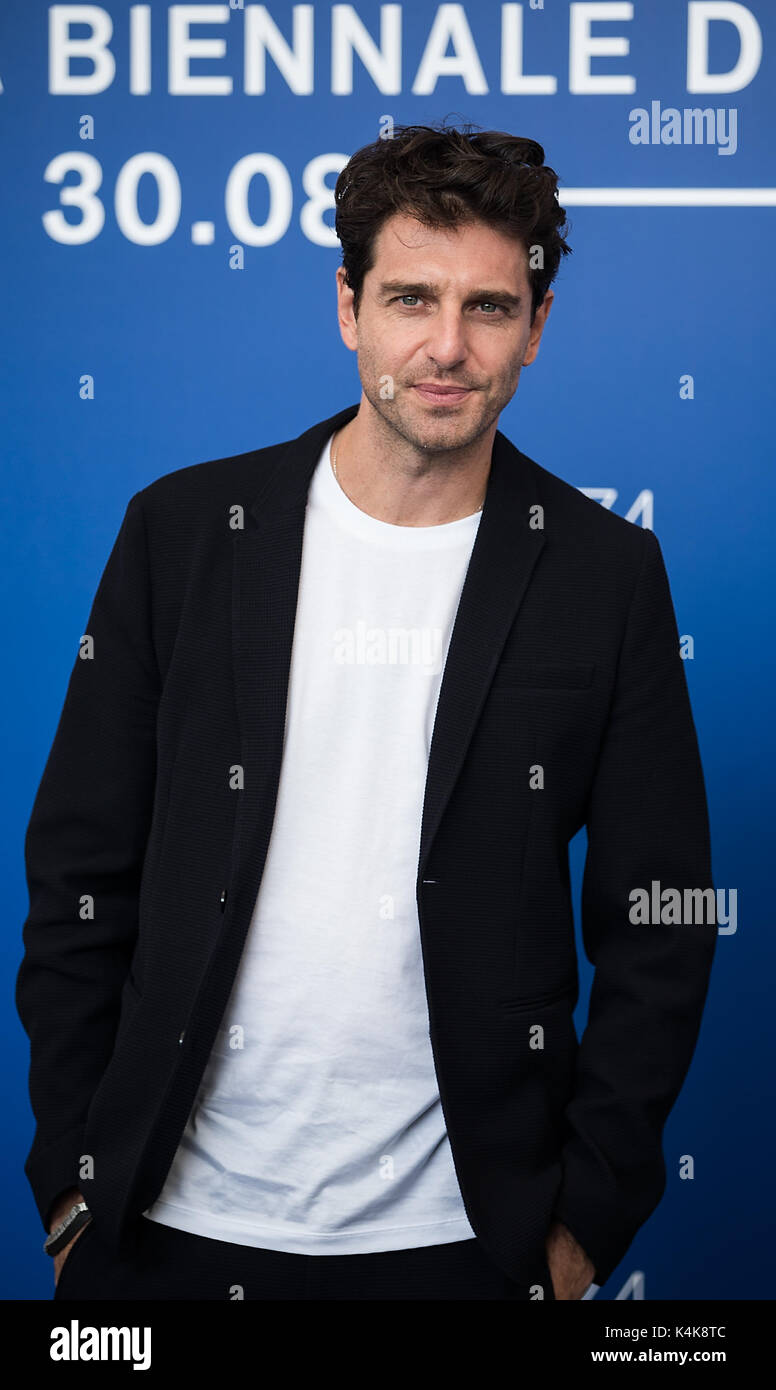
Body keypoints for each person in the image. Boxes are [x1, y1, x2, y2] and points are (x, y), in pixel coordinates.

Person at [17, 122, 717, 1302]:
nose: (445, 348)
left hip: (461, 1247)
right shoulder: (183, 535)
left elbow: (663, 922)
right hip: (165, 1227)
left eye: (490, 308)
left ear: (536, 327)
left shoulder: (603, 576)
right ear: (347, 307)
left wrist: (584, 1217)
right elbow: (80, 874)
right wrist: (73, 1182)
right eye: (409, 299)